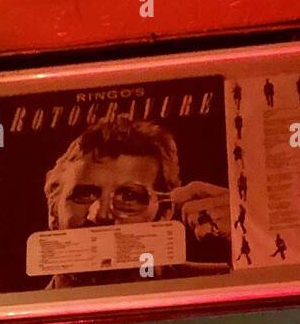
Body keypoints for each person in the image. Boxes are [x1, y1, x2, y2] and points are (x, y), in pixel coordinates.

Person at [40, 115, 229, 288]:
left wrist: (250, 234)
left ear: (164, 214)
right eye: (85, 195)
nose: (101, 215)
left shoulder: (223, 283)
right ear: (53, 213)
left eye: (129, 197)